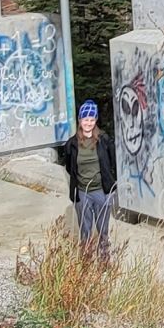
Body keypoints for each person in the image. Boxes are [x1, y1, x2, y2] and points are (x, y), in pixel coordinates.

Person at [56, 99, 118, 266]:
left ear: (95, 120)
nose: (88, 123)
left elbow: (113, 162)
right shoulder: (72, 144)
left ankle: (104, 261)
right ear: (80, 121)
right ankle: (86, 262)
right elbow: (69, 167)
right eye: (85, 120)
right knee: (85, 229)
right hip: (82, 192)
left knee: (103, 230)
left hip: (102, 191)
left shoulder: (104, 140)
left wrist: (110, 181)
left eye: (91, 119)